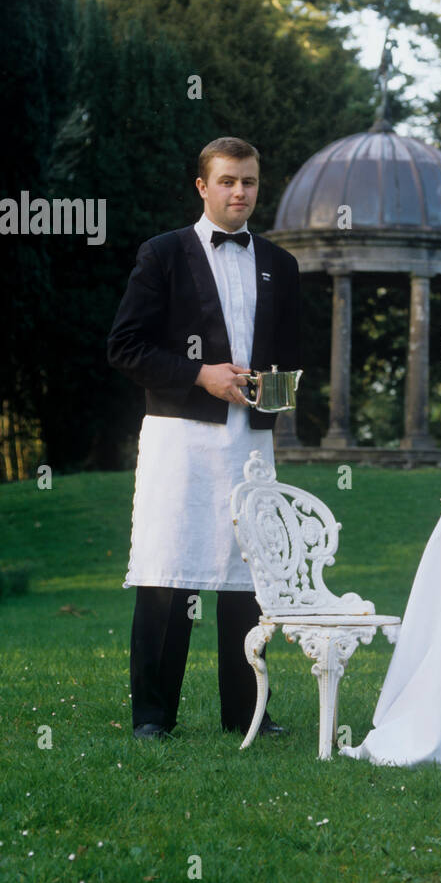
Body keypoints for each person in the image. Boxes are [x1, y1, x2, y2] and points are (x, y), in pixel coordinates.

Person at [107, 137, 300, 739]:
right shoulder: (162, 255)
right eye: (227, 181)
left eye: (248, 182)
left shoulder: (281, 263)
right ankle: (152, 718)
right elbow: (126, 347)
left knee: (249, 581)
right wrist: (199, 374)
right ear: (203, 186)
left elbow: (291, 354)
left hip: (251, 444)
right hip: (180, 440)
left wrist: (280, 388)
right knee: (169, 573)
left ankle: (246, 714)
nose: (239, 192)